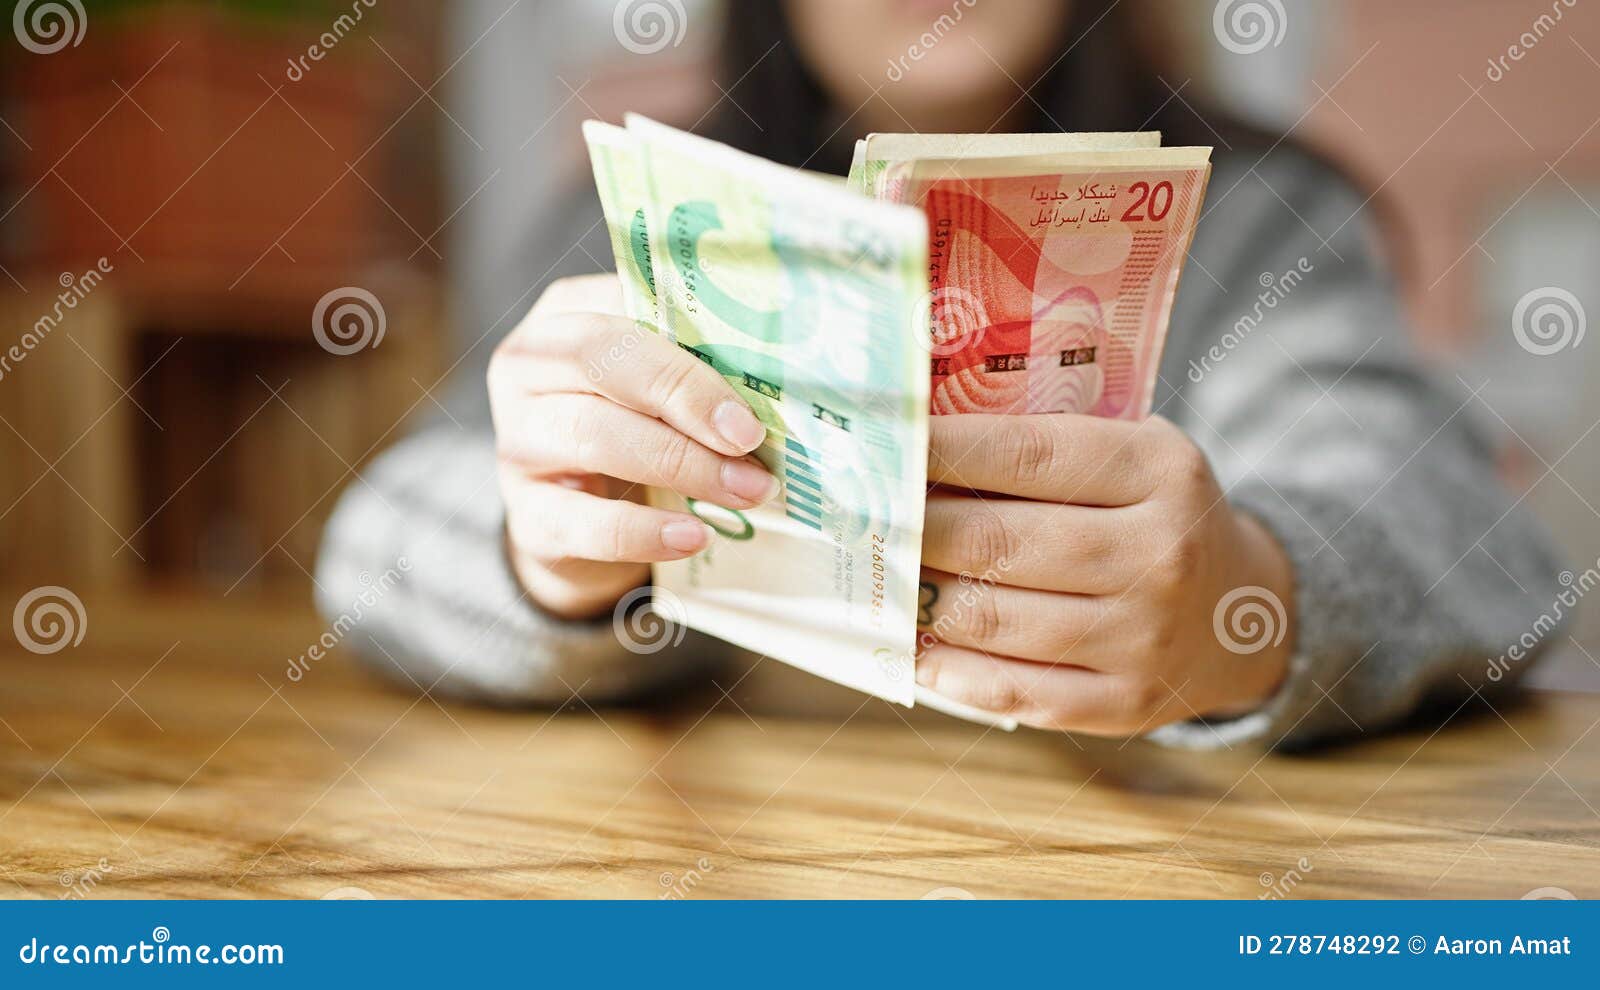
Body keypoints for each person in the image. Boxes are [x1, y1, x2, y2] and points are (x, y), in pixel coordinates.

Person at [316, 0, 1564, 749]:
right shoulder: (624, 231)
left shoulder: (1257, 227)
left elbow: (1470, 544)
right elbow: (373, 550)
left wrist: (1248, 604)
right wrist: (548, 561)